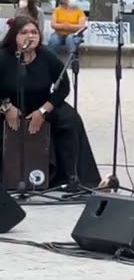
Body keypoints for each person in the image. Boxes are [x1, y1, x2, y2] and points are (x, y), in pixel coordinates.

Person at [0, 16, 101, 189]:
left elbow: (63, 87)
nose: (30, 36)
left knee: (70, 119)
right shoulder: (3, 57)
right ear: (14, 36)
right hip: (8, 106)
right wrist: (6, 107)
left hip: (41, 105)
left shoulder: (46, 56)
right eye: (24, 32)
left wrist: (43, 111)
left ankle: (72, 177)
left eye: (34, 32)